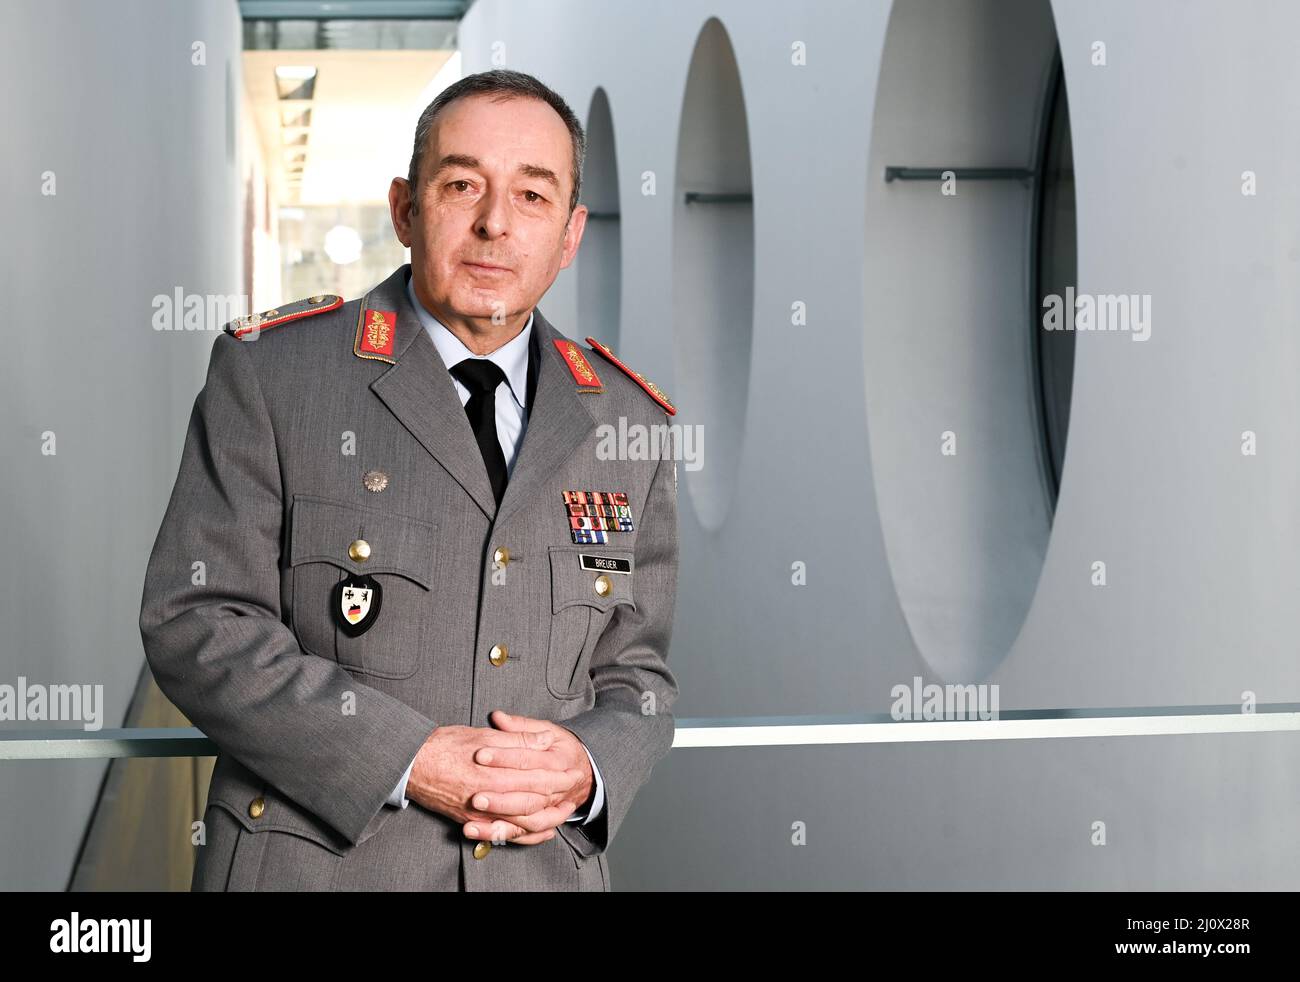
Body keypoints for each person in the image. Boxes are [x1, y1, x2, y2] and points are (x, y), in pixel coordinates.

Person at [138, 68, 680, 891]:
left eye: (533, 197)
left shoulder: (630, 424)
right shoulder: (276, 376)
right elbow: (197, 620)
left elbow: (637, 673)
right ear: (404, 209)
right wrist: (404, 758)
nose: (496, 223)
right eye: (463, 184)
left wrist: (589, 770)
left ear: (569, 237)